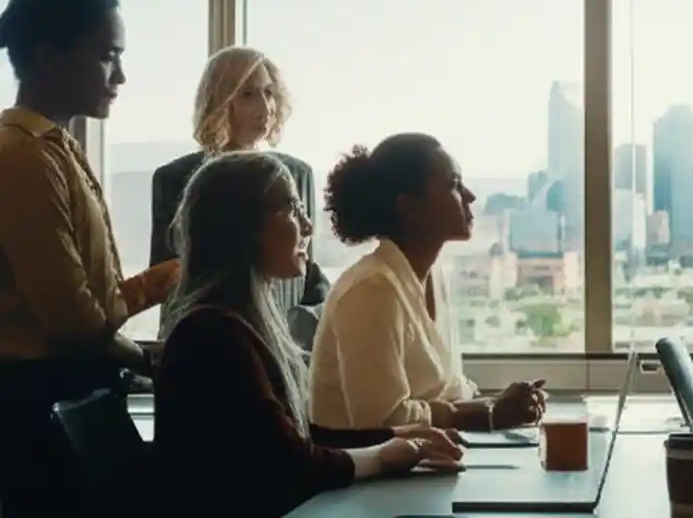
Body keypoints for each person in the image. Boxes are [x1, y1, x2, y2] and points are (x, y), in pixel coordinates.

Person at [154, 152, 462, 517]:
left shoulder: (232, 324)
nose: (308, 227)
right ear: (243, 225)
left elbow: (298, 440)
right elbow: (292, 464)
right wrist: (384, 457)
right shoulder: (213, 336)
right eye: (291, 209)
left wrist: (397, 436)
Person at [0, 0, 179, 513]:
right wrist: (147, 357)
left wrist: (170, 276)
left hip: (69, 394)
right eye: (107, 56)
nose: (120, 75)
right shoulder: (23, 157)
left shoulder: (58, 150)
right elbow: (73, 322)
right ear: (51, 56)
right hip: (41, 406)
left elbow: (92, 302)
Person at [309, 133, 547, 433]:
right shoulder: (371, 291)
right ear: (409, 207)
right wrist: (485, 415)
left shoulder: (435, 278)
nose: (470, 196)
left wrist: (503, 403)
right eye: (454, 186)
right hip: (369, 473)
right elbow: (381, 421)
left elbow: (447, 391)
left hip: (423, 458)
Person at [152, 46, 328, 342]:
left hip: (289, 347)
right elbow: (168, 281)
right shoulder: (177, 178)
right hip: (212, 339)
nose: (265, 106)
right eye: (248, 94)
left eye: (269, 92)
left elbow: (306, 274)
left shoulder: (298, 174)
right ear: (219, 100)